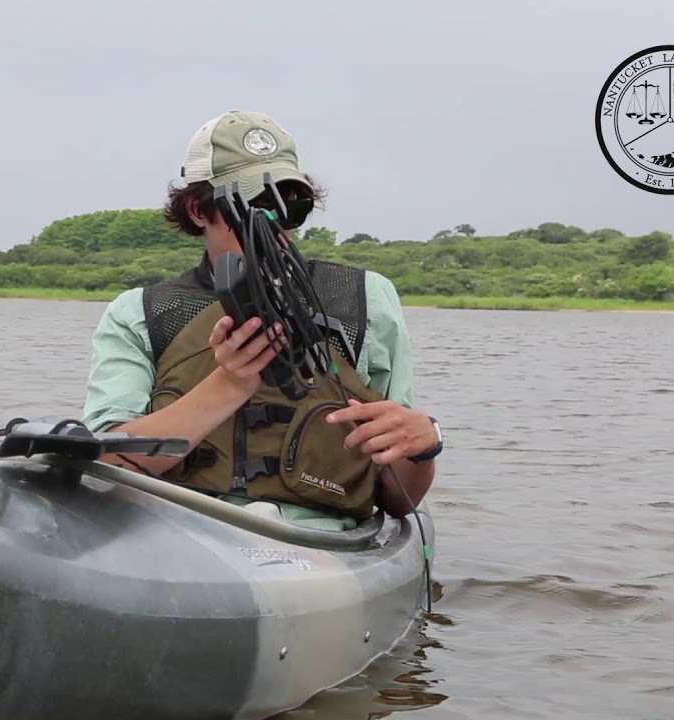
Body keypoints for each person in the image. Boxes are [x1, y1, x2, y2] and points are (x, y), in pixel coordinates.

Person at [80, 110, 440, 528]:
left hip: (320, 543)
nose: (275, 222)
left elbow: (397, 498)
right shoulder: (140, 314)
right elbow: (106, 465)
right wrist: (229, 384)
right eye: (255, 205)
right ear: (198, 209)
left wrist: (423, 446)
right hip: (177, 534)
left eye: (290, 204)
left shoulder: (367, 299)